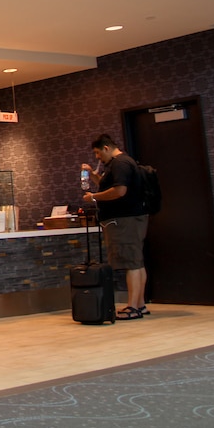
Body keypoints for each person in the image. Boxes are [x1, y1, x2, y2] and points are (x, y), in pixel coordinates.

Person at [81, 133, 149, 320]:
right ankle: (140, 304)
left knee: (130, 263)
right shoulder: (121, 163)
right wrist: (94, 175)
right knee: (137, 262)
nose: (97, 157)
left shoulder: (120, 164)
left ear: (106, 148)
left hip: (124, 220)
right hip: (132, 218)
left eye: (97, 153)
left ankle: (133, 307)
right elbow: (107, 185)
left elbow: (119, 191)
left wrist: (93, 197)